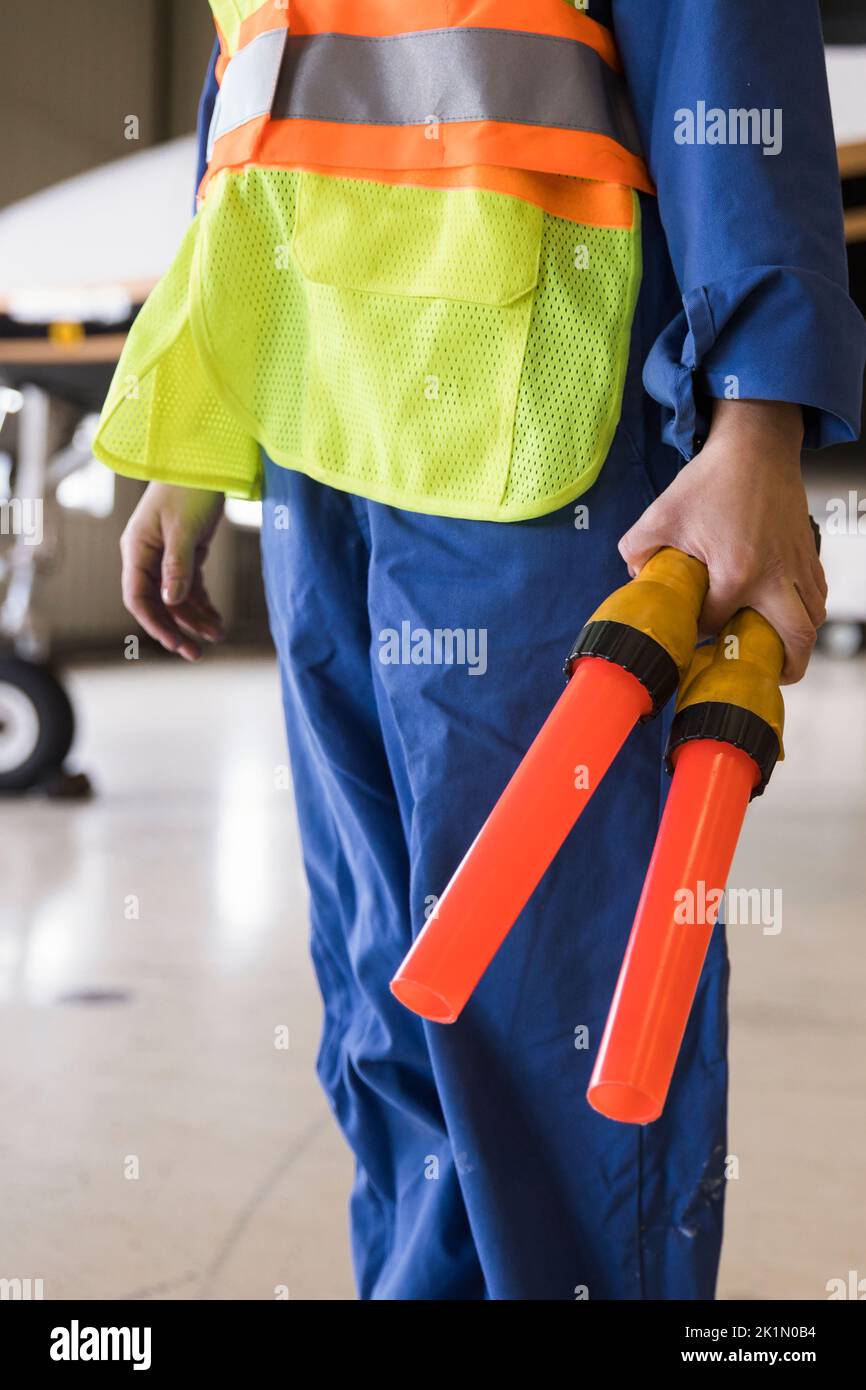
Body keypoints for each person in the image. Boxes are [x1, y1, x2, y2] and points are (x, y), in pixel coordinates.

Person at [97, 1, 865, 1299]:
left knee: (546, 1006)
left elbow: (717, 42)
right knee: (383, 992)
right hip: (311, 429)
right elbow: (257, 94)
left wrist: (754, 415)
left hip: (535, 408)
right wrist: (199, 412)